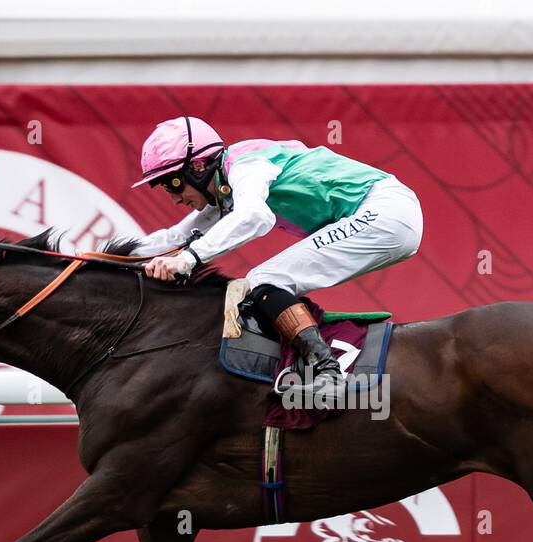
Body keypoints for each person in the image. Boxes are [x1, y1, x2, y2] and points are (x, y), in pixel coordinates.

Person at [128, 116, 423, 399]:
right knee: (268, 281)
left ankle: (327, 371)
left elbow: (256, 216)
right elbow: (173, 238)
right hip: (388, 213)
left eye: (173, 184)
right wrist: (102, 257)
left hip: (384, 212)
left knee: (265, 280)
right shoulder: (226, 186)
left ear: (198, 165)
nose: (174, 198)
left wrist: (189, 258)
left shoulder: (246, 164)